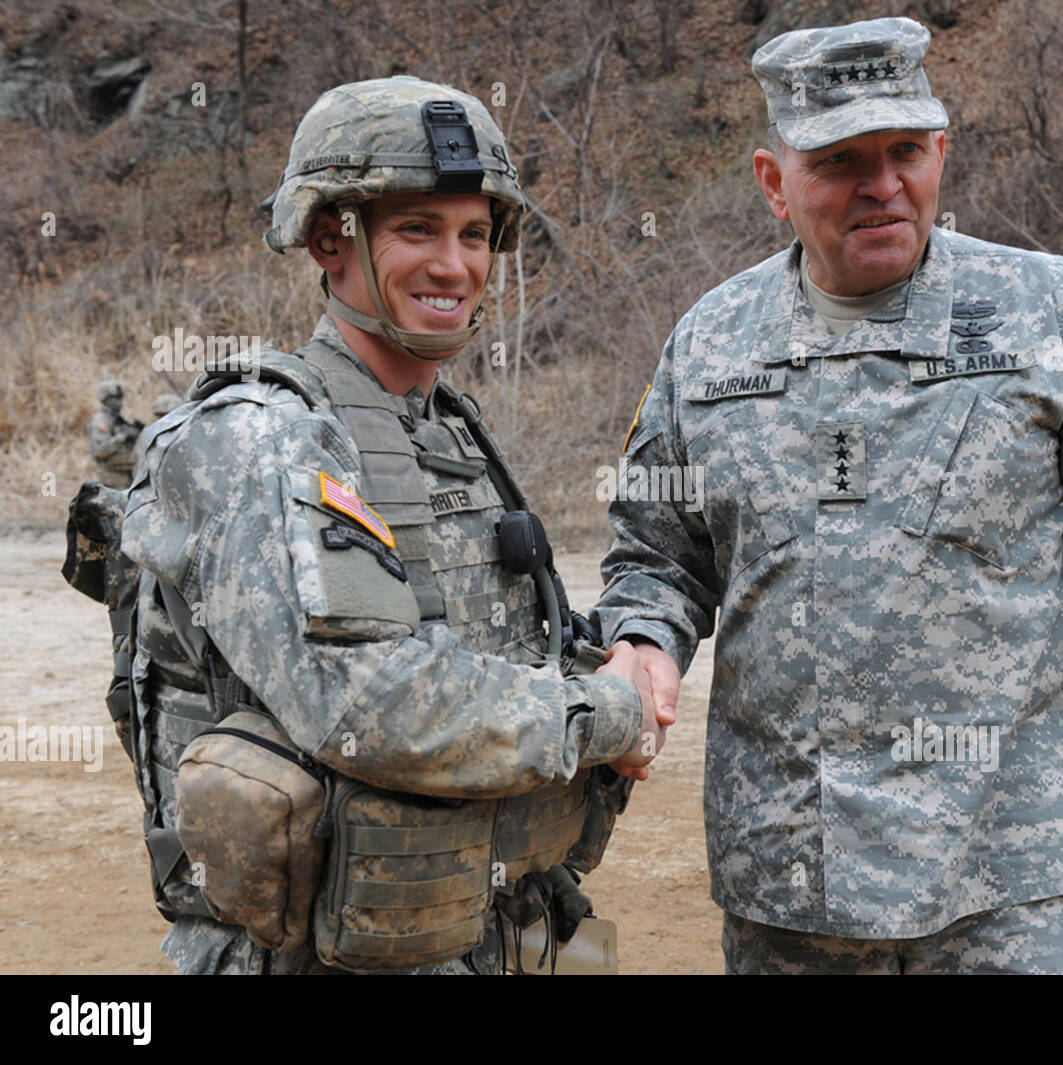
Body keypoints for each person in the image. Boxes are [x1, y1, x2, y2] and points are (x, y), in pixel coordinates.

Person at [593, 17, 1063, 974]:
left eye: (904, 151)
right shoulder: (711, 340)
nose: (882, 184)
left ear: (941, 151)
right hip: (791, 890)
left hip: (1015, 888)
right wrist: (644, 637)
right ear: (775, 183)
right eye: (842, 159)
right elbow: (656, 552)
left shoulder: (1044, 316)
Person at [100, 77, 666, 975]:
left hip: (487, 931)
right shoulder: (262, 435)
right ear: (331, 238)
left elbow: (508, 643)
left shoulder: (449, 430)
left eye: (474, 233)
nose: (455, 266)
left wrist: (619, 655)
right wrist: (606, 713)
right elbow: (366, 699)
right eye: (418, 230)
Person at [88, 379, 142, 489]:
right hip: (110, 481)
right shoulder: (101, 420)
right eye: (115, 399)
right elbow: (101, 450)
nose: (119, 402)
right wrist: (124, 436)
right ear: (105, 400)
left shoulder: (119, 420)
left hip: (128, 478)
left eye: (120, 398)